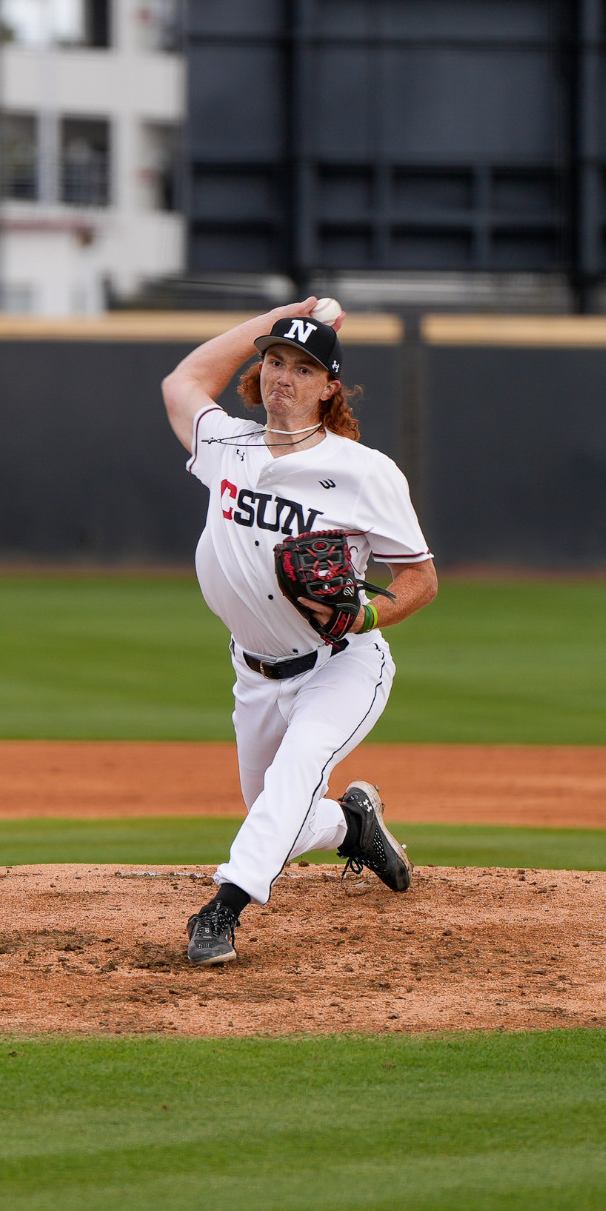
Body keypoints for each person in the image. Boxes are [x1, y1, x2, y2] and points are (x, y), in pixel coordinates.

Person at [160, 297, 438, 965]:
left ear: (328, 387)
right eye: (275, 361)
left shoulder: (364, 472)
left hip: (339, 663)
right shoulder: (227, 443)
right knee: (278, 812)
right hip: (253, 671)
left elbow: (420, 580)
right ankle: (353, 826)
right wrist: (279, 317)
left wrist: (365, 613)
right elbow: (182, 383)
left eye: (304, 367)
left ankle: (222, 911)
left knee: (289, 782)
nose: (284, 375)